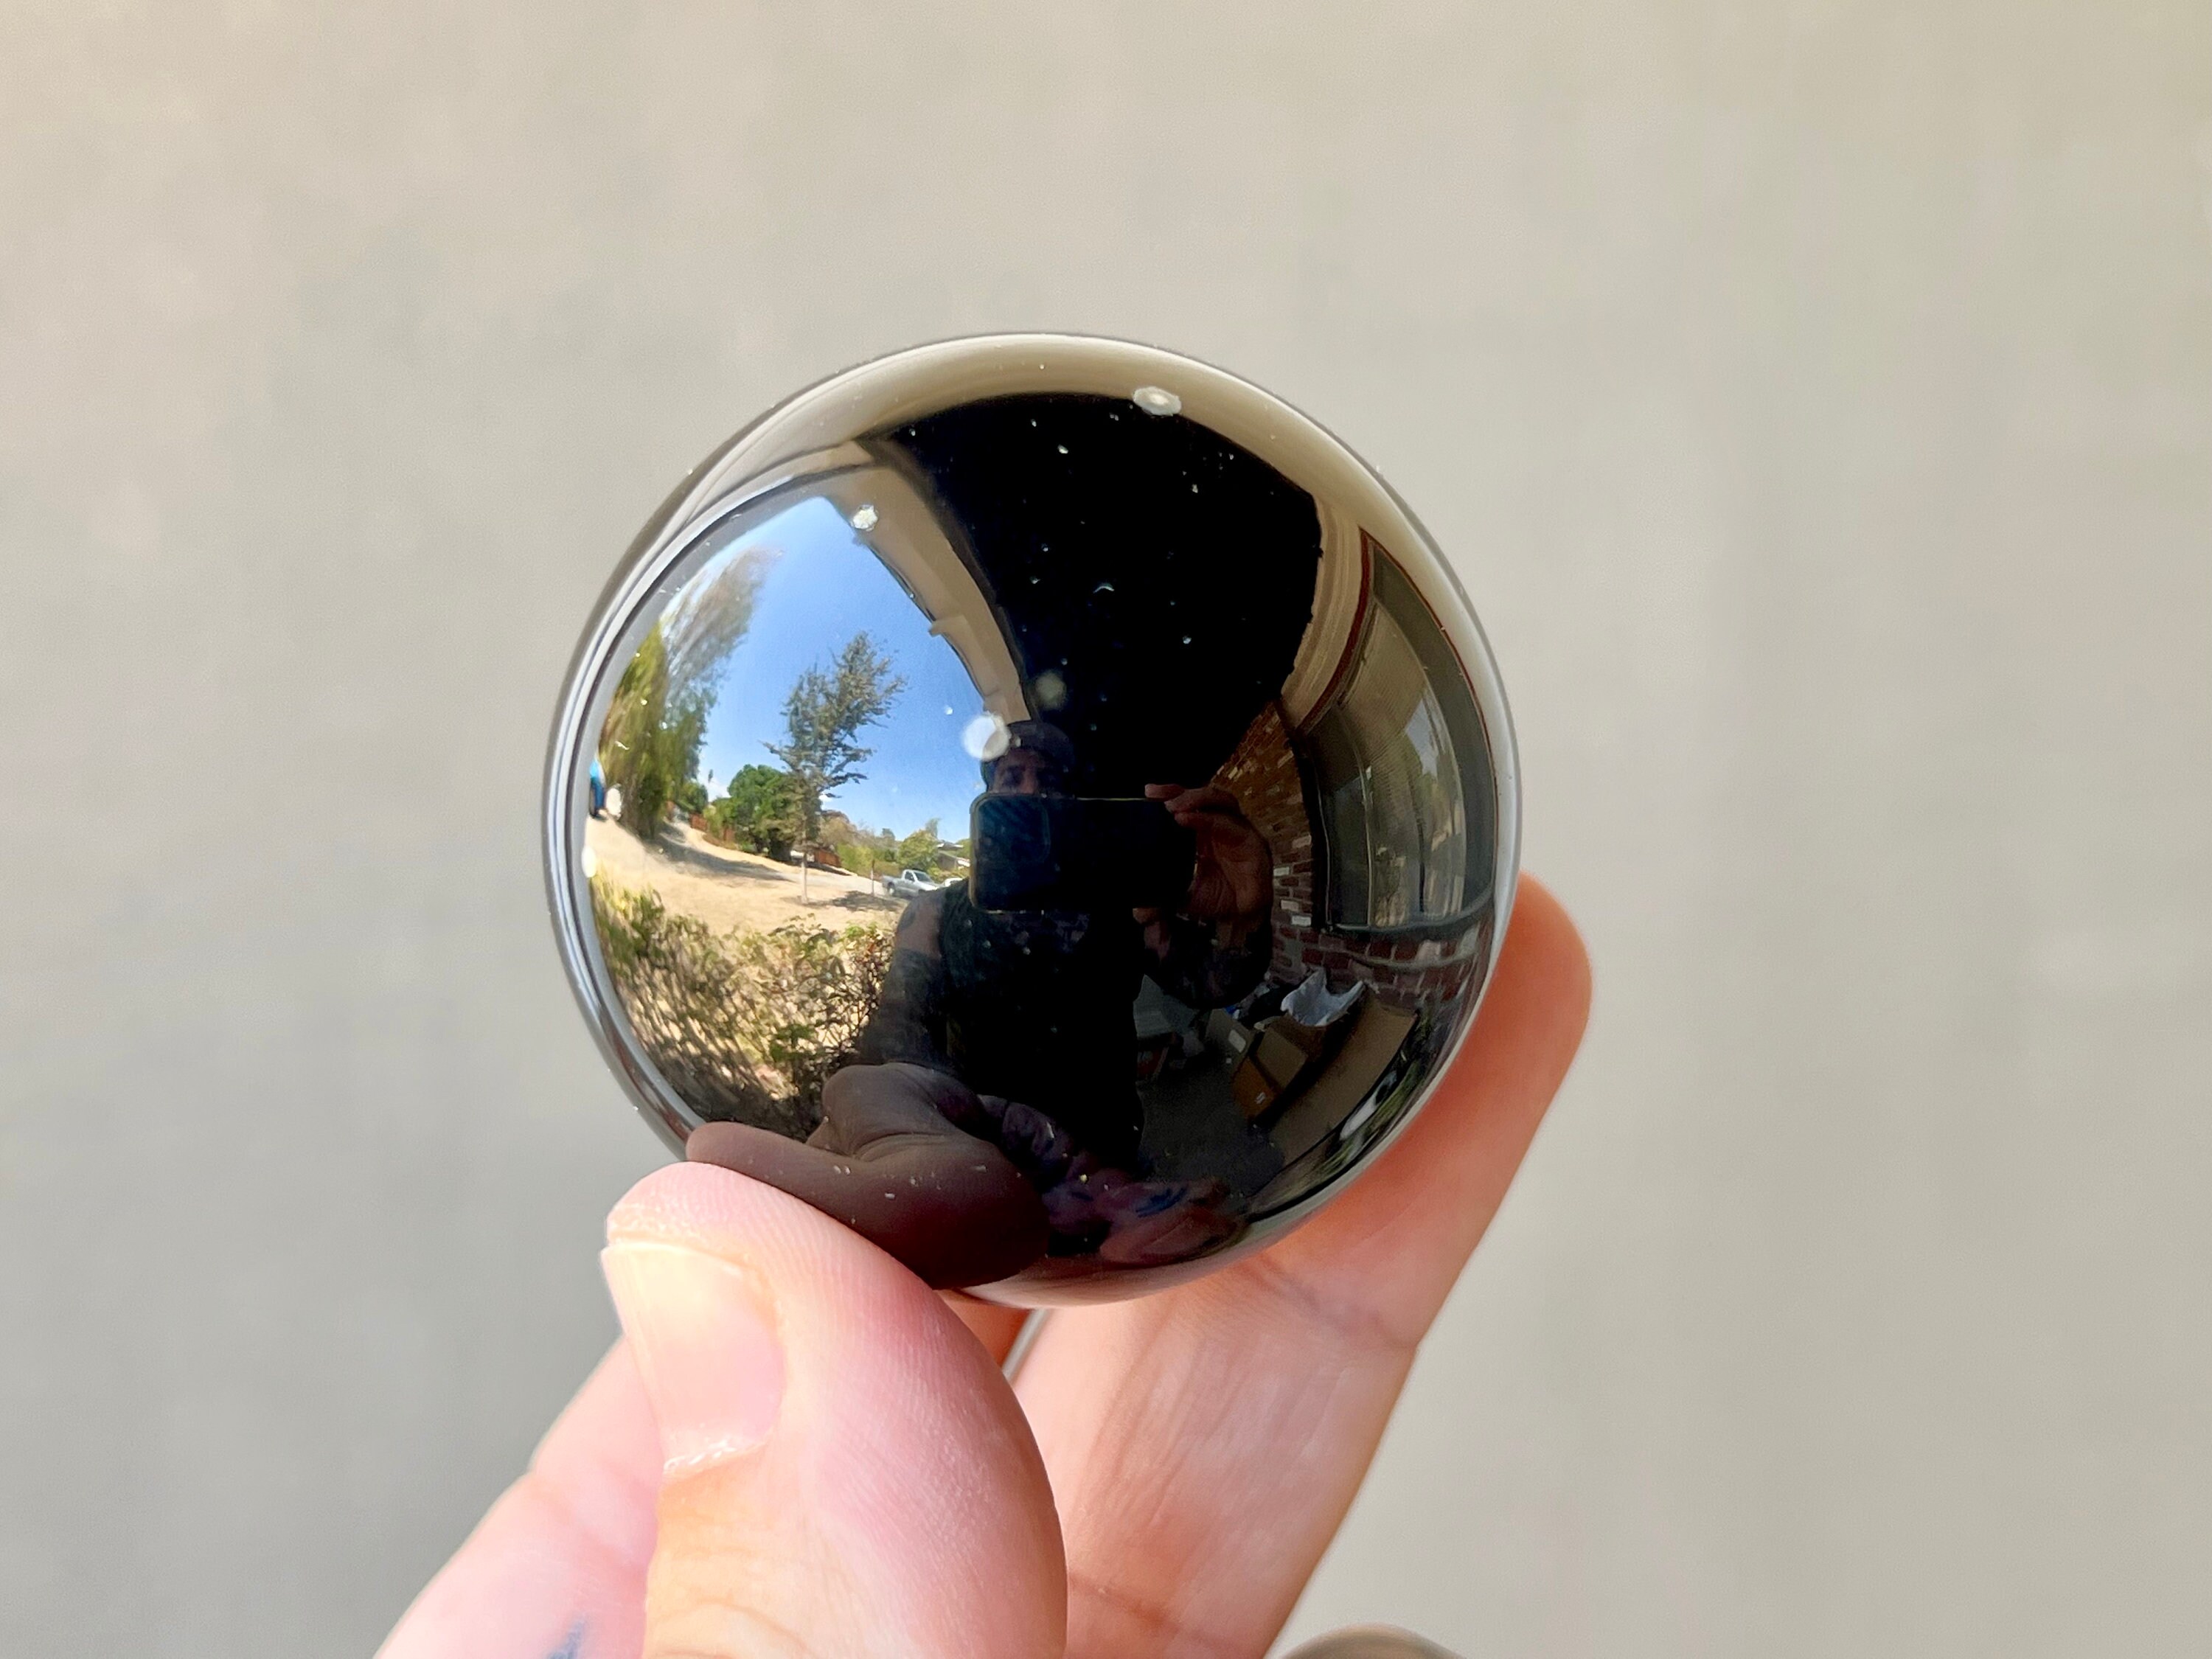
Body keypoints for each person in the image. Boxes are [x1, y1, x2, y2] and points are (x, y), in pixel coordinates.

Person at [374, 881, 1589, 1659]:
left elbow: (1218, 1008)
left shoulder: (1134, 907)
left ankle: (928, 1166)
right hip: (947, 1118)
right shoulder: (946, 922)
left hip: (1080, 1137)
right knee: (919, 1123)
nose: (1033, 813)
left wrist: (1209, 915)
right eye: (1013, 788)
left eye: (1057, 800)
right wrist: (925, 944)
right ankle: (897, 1161)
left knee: (972, 1161)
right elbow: (903, 1023)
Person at [687, 721, 1279, 1284]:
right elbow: (897, 1034)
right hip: (980, 1170)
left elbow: (1213, 987)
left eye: (1048, 778)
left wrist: (1245, 913)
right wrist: (944, 1136)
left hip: (1115, 1163)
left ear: (1071, 801)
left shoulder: (1123, 905)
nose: (1032, 788)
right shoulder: (939, 912)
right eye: (1011, 778)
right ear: (989, 802)